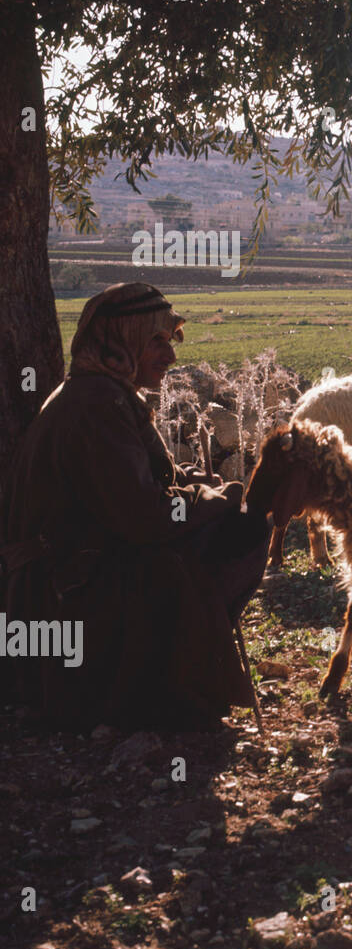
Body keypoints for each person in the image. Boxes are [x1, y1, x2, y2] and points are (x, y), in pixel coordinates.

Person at [1, 282, 270, 730]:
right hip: (61, 592)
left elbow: (137, 485)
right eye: (157, 342)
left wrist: (192, 486)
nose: (171, 356)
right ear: (120, 343)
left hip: (65, 580)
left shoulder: (100, 395)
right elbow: (145, 517)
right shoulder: (97, 405)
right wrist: (212, 499)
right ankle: (154, 694)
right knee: (222, 538)